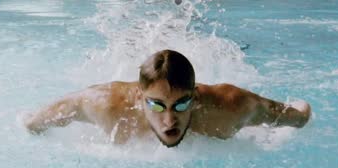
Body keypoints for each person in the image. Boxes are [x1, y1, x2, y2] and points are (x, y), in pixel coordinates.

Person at [23, 49, 311, 147]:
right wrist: (32, 126)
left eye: (181, 104)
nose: (169, 119)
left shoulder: (232, 108)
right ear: (139, 98)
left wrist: (301, 114)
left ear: (195, 97)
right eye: (157, 105)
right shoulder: (105, 105)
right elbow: (35, 122)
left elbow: (298, 116)